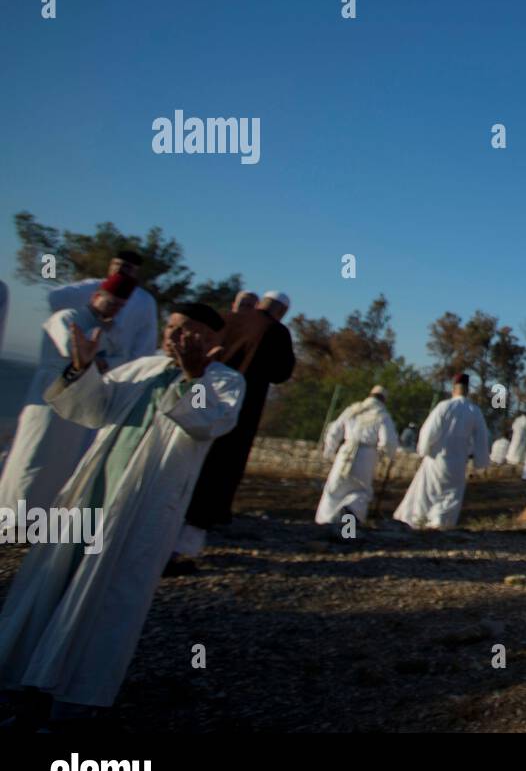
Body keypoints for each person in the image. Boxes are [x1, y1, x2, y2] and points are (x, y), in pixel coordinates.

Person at [0, 303, 243, 728]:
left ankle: (73, 703)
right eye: (170, 326)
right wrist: (82, 367)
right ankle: (23, 688)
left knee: (107, 600)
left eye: (184, 330)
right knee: (53, 583)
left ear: (208, 339)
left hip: (141, 507)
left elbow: (209, 423)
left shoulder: (224, 380)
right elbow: (92, 409)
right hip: (93, 492)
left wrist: (192, 377)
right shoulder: (142, 368)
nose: (172, 336)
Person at [174, 291, 295, 562]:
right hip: (239, 408)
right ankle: (185, 547)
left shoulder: (224, 319)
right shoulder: (275, 331)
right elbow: (281, 373)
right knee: (218, 470)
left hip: (199, 394)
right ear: (281, 312)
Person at [0, 275, 135, 514]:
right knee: (33, 455)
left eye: (120, 306)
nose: (114, 310)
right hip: (51, 394)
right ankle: (11, 514)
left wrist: (97, 361)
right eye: (111, 303)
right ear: (96, 297)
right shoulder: (67, 317)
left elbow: (121, 363)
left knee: (61, 461)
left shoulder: (113, 331)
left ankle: (38, 518)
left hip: (82, 398)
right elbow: (74, 352)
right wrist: (97, 361)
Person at [394, 373, 489, 529]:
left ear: (453, 389)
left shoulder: (444, 406)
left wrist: (423, 450)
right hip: (458, 462)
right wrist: (481, 462)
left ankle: (418, 522)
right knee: (450, 496)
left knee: (427, 493)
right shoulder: (474, 410)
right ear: (467, 391)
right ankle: (440, 523)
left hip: (436, 459)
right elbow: (482, 438)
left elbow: (429, 431)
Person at [47, 250, 158, 363]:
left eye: (126, 267)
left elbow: (145, 343)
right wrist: (88, 316)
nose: (119, 269)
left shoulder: (145, 301)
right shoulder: (92, 288)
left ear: (135, 271)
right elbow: (55, 298)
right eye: (116, 264)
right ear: (96, 296)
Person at [314, 385, 398, 531]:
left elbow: (334, 430)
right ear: (384, 400)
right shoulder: (382, 415)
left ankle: (324, 524)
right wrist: (387, 456)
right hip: (366, 455)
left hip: (345, 452)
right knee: (359, 492)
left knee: (334, 490)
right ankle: (348, 530)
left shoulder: (353, 410)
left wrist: (330, 450)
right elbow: (388, 441)